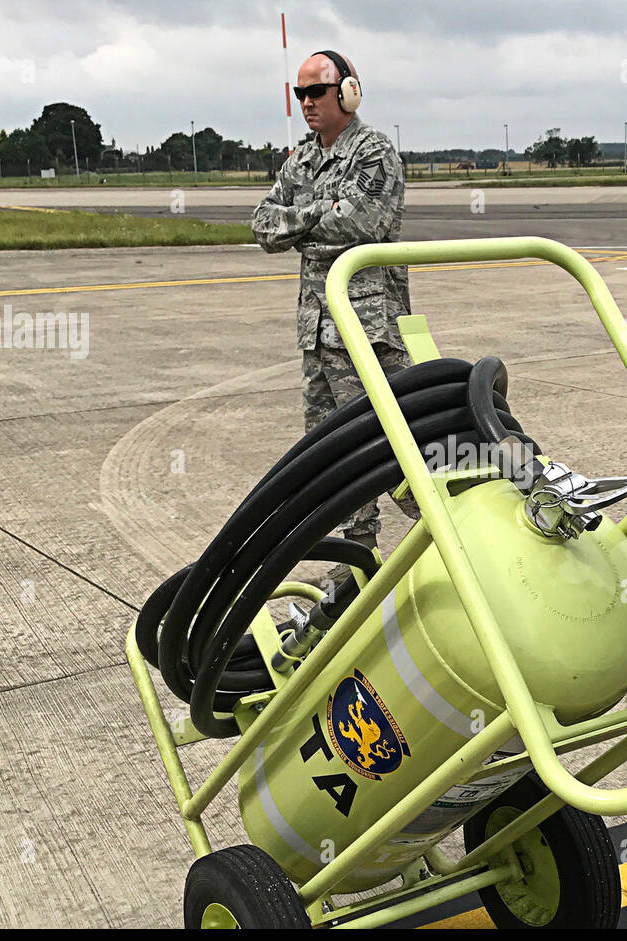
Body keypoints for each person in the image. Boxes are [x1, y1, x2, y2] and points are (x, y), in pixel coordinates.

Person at [250, 50, 414, 587]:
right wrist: (320, 214)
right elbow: (262, 227)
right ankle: (354, 567)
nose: (306, 104)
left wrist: (302, 220)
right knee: (334, 461)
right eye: (299, 94)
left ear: (347, 92)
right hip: (317, 334)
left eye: (316, 92)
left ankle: (463, 536)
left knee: (398, 449)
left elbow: (363, 221)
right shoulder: (300, 160)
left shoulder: (374, 152)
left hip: (368, 332)